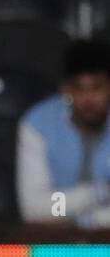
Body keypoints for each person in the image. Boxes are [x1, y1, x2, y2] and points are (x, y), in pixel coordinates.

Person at [16, 40, 110, 231]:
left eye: (97, 87)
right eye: (79, 88)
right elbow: (34, 210)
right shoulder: (38, 124)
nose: (88, 99)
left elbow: (50, 206)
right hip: (56, 245)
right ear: (66, 89)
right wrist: (97, 194)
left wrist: (87, 218)